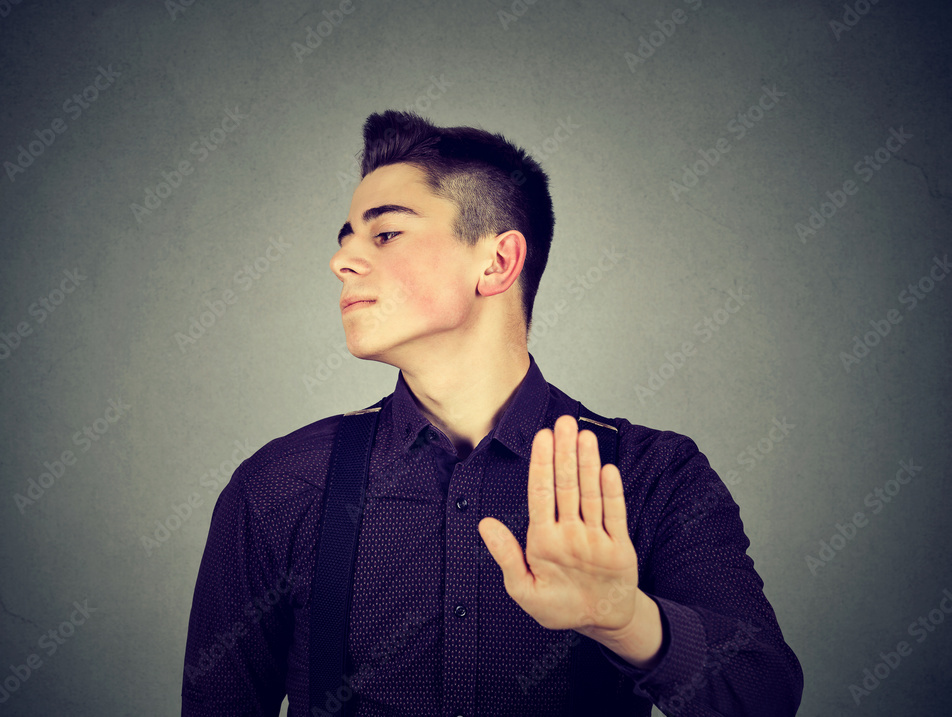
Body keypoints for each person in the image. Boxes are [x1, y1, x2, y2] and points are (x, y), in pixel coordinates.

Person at [181, 110, 804, 716]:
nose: (341, 261)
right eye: (346, 239)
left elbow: (764, 695)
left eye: (386, 232)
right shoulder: (280, 483)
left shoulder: (651, 476)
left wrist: (627, 621)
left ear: (498, 262)